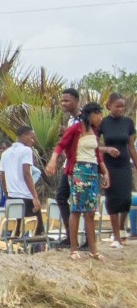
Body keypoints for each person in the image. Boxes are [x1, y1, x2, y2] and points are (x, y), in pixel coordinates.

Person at [53, 102, 109, 260]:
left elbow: (97, 154)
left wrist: (105, 172)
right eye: (99, 114)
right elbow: (61, 145)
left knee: (90, 211)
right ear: (91, 114)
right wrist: (52, 160)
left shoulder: (95, 131)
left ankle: (93, 249)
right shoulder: (76, 128)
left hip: (92, 171)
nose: (101, 117)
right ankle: (73, 248)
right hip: (78, 169)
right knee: (76, 209)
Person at [99, 93, 135, 248]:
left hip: (124, 164)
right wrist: (106, 149)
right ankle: (116, 237)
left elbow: (131, 147)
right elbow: (94, 145)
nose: (120, 109)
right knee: (112, 199)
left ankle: (121, 228)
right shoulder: (103, 123)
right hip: (109, 166)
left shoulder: (128, 122)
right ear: (109, 106)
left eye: (122, 106)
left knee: (126, 198)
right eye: (117, 106)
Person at [51, 86, 81, 244]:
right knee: (61, 197)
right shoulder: (70, 120)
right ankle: (70, 237)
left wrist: (68, 133)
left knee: (80, 202)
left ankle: (83, 240)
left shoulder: (84, 118)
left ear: (76, 101)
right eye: (62, 100)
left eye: (67, 100)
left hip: (81, 165)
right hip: (69, 165)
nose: (64, 103)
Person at [1, 126, 43, 238]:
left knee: (16, 229)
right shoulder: (26, 150)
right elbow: (27, 173)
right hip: (25, 196)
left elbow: (2, 177)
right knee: (38, 228)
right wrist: (34, 196)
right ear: (23, 136)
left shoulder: (5, 153)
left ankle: (16, 249)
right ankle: (38, 249)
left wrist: (7, 194)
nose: (33, 140)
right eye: (31, 137)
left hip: (12, 197)